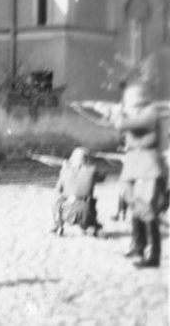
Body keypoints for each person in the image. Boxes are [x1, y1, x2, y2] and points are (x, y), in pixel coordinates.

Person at [73, 83, 168, 268]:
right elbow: (104, 122)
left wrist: (109, 109)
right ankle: (138, 246)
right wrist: (84, 111)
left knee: (147, 208)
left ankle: (153, 255)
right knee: (132, 202)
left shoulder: (150, 114)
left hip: (148, 162)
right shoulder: (132, 114)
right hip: (133, 162)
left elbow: (121, 123)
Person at [29, 148, 105, 237]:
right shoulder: (93, 169)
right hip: (86, 211)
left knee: (58, 200)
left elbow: (58, 190)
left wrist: (64, 170)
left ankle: (58, 226)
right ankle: (91, 227)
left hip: (67, 212)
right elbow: (101, 178)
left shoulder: (65, 171)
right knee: (91, 202)